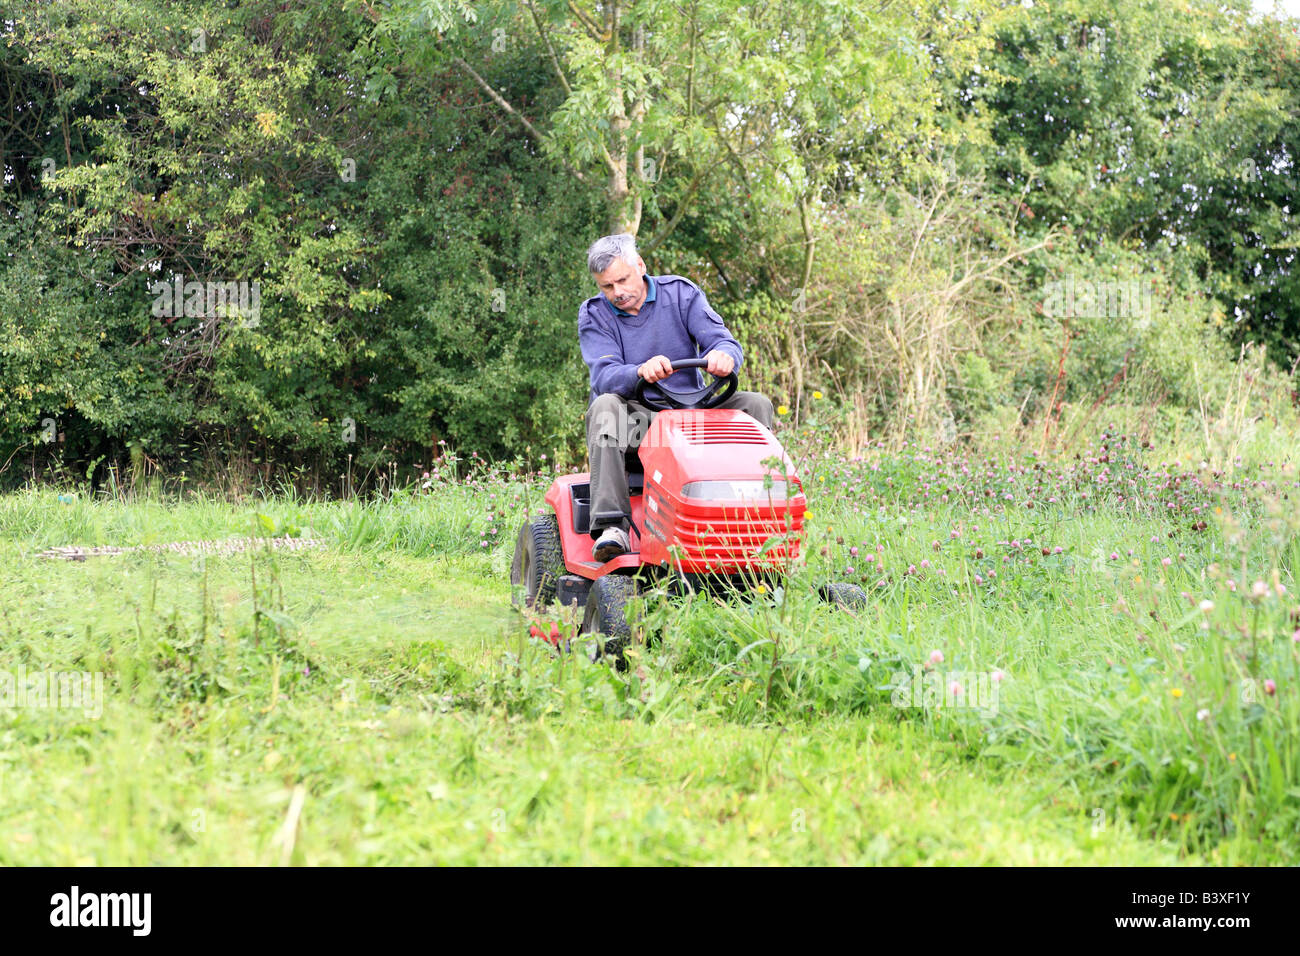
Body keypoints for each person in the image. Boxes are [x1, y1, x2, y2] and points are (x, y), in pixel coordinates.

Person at [578, 233, 775, 562]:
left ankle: (754, 516)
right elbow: (603, 375)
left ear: (640, 266)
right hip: (642, 422)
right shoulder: (595, 314)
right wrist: (639, 371)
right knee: (605, 407)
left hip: (694, 416)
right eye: (607, 287)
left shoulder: (681, 294)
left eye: (623, 280)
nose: (618, 293)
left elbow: (723, 342)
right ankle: (612, 527)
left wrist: (724, 356)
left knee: (756, 405)